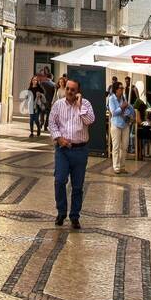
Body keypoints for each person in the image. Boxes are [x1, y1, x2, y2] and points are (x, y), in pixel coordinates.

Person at [48, 77, 95, 230]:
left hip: (80, 150)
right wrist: (58, 138)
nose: (69, 92)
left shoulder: (85, 104)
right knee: (60, 181)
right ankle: (61, 212)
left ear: (77, 92)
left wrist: (80, 105)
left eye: (72, 90)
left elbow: (90, 120)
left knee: (77, 186)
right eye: (67, 88)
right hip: (63, 150)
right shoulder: (58, 105)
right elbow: (51, 123)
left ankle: (74, 216)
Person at [107, 81, 135, 174]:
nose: (122, 90)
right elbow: (113, 112)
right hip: (116, 125)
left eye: (123, 88)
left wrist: (130, 110)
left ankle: (122, 166)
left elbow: (129, 107)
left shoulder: (124, 97)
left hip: (125, 124)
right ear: (116, 90)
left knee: (124, 146)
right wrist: (122, 107)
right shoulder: (111, 99)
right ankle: (116, 167)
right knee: (116, 146)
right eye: (120, 88)